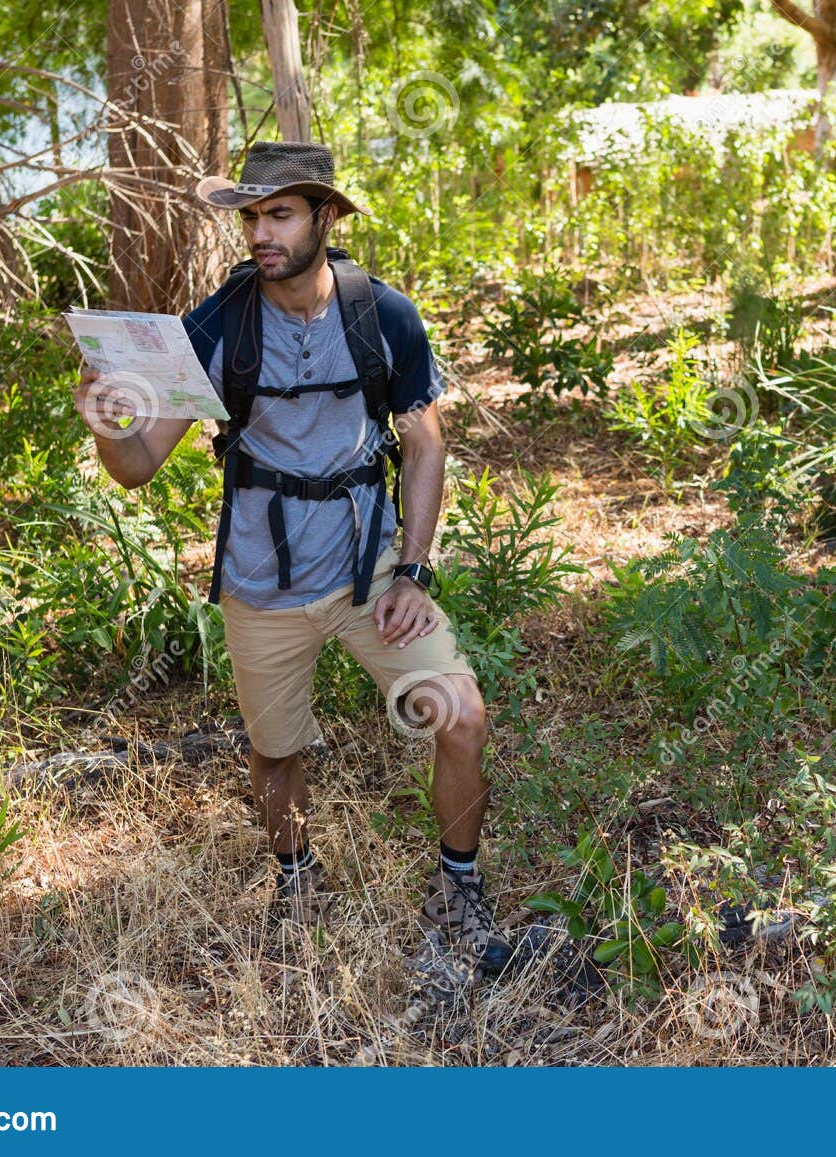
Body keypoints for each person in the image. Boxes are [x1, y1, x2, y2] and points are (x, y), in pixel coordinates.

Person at [72, 140, 512, 978]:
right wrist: (104, 418)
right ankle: (297, 879)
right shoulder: (215, 325)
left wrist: (414, 571)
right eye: (251, 218)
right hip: (260, 579)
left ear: (325, 216)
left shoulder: (383, 315)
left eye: (278, 214)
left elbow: (423, 444)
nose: (261, 234)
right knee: (276, 753)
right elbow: (136, 469)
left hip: (369, 570)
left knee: (459, 713)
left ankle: (459, 890)